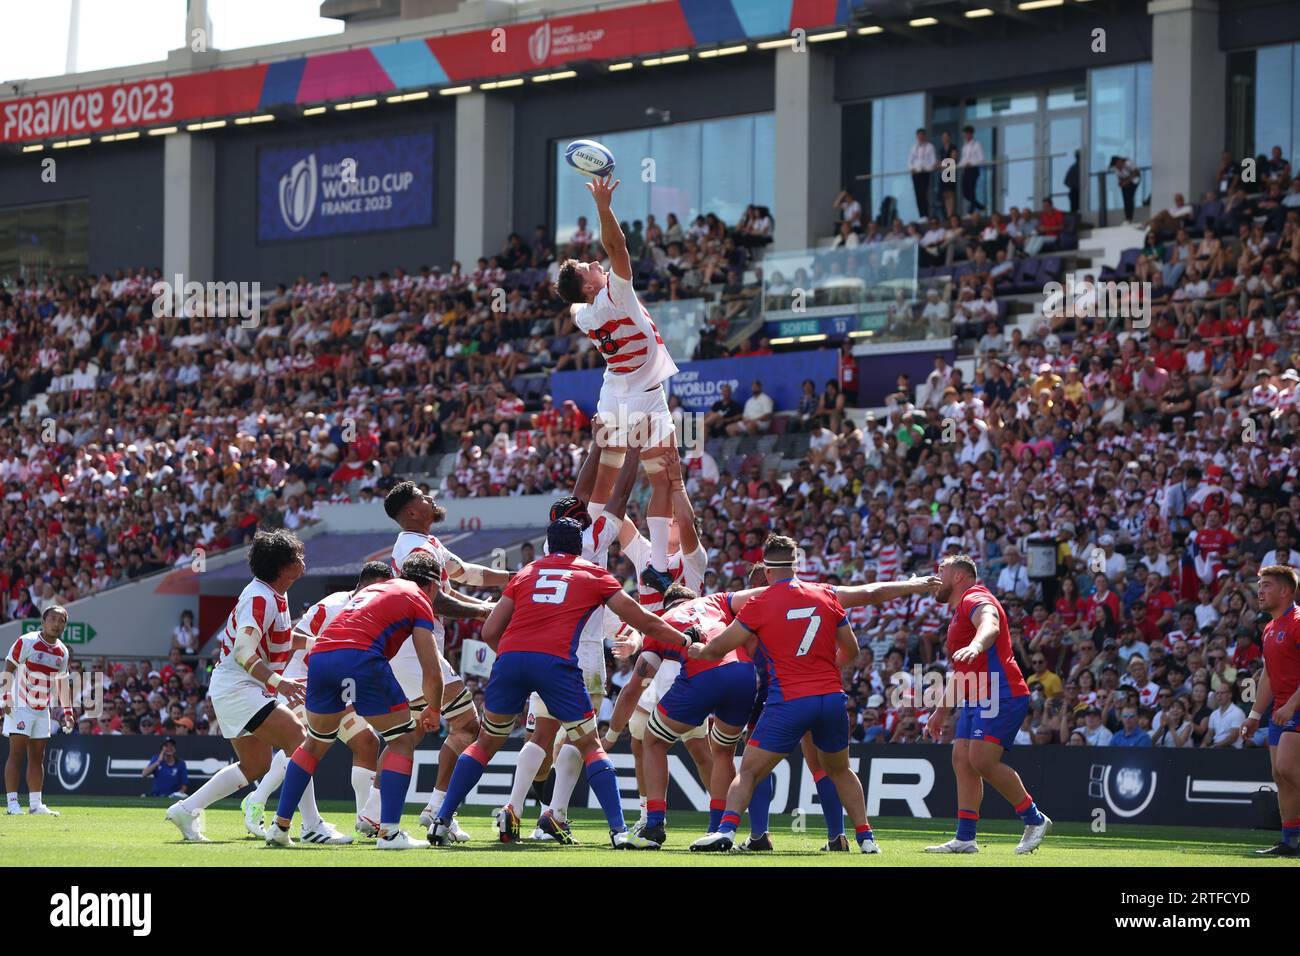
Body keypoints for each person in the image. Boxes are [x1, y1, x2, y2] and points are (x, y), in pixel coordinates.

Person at [427, 518, 688, 849]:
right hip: (557, 665)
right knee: (589, 745)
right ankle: (619, 831)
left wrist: (515, 658)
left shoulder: (525, 573)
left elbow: (491, 630)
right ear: (580, 546)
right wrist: (683, 640)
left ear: (547, 545)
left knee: (486, 742)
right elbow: (642, 620)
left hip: (510, 661)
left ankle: (441, 820)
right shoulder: (593, 574)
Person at [267, 552, 487, 850]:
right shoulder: (420, 599)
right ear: (433, 587)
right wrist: (434, 709)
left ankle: (280, 827)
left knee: (314, 744)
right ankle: (390, 834)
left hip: (320, 657)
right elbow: (431, 666)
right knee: (402, 740)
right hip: (361, 658)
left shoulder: (373, 589)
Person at [686, 535, 880, 855]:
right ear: (796, 563)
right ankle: (863, 838)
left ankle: (729, 830)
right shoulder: (825, 593)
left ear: (767, 569)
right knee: (835, 769)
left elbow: (725, 647)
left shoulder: (759, 603)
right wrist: (826, 669)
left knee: (751, 769)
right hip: (830, 696)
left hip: (784, 695)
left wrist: (698, 649)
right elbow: (854, 648)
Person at [497, 443, 642, 844]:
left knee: (540, 734)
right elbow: (621, 494)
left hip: (545, 647)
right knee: (584, 737)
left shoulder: (548, 549)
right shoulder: (594, 538)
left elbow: (578, 497)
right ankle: (555, 812)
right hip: (586, 649)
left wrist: (597, 445)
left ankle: (513, 806)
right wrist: (633, 453)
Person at [554, 175, 680, 592]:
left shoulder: (584, 313)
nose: (597, 263)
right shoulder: (615, 295)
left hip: (614, 395)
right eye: (590, 267)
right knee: (660, 479)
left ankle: (580, 552)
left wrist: (573, 286)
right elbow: (617, 247)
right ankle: (657, 565)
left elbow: (572, 300)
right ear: (592, 285)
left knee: (603, 481)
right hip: (644, 397)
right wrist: (604, 207)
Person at [166, 530, 331, 842]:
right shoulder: (260, 597)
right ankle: (311, 826)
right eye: (297, 556)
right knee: (299, 740)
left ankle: (186, 810)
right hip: (239, 688)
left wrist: (315, 644)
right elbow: (244, 651)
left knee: (257, 764)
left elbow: (281, 636)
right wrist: (279, 682)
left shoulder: (272, 593)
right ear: (282, 566)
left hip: (238, 688)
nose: (302, 560)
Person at [383, 480, 510, 840]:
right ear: (411, 511)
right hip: (413, 649)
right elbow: (432, 601)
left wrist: (516, 580)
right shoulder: (412, 550)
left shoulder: (429, 544)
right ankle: (438, 808)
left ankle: (373, 813)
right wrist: (484, 610)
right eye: (423, 497)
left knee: (405, 734)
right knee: (468, 726)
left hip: (413, 648)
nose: (431, 498)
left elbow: (469, 573)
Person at [240, 561, 394, 841]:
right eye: (383, 591)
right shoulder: (340, 608)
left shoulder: (365, 610)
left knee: (366, 741)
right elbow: (319, 655)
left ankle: (366, 820)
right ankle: (268, 804)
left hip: (326, 679)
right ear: (369, 586)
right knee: (305, 744)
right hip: (302, 679)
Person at [605, 582, 765, 846]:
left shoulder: (661, 622)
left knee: (653, 741)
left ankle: (654, 823)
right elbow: (760, 593)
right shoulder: (715, 600)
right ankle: (720, 829)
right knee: (722, 751)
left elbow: (634, 688)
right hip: (743, 674)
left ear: (666, 605)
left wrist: (610, 737)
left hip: (701, 677)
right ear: (693, 598)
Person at [924, 554, 1050, 855]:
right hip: (976, 695)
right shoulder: (957, 614)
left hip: (1001, 691)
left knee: (981, 760)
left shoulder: (975, 595)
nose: (935, 576)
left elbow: (990, 624)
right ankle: (965, 838)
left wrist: (978, 644)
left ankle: (1035, 818)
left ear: (958, 576)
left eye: (941, 570)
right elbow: (961, 672)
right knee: (962, 759)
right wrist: (941, 711)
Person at [1240, 565, 1300, 855]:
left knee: (1288, 767)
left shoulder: (1299, 622)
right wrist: (1254, 715)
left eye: (1266, 585)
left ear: (1285, 591)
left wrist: (1291, 704)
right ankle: (1291, 842)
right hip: (1280, 710)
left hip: (1295, 707)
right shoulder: (1269, 627)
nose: (1259, 591)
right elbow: (1269, 675)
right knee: (1280, 775)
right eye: (1259, 586)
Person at [3, 605, 72, 816]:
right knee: (16, 754)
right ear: (43, 621)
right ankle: (13, 804)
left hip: (42, 709)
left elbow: (62, 683)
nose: (57, 624)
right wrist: (5, 697)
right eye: (53, 619)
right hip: (20, 706)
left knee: (37, 757)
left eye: (62, 621)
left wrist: (68, 711)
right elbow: (9, 667)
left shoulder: (63, 651)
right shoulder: (27, 641)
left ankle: (35, 805)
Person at [908, 128, 936, 220]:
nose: (920, 137)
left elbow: (933, 162)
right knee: (917, 195)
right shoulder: (913, 148)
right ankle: (921, 215)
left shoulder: (929, 147)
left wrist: (926, 168)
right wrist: (912, 168)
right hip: (916, 173)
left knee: (923, 193)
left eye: (921, 135)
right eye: (918, 135)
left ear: (924, 136)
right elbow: (909, 161)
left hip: (925, 172)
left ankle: (926, 215)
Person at [959, 126, 985, 215]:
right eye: (964, 134)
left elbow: (981, 158)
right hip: (966, 170)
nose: (965, 135)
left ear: (970, 134)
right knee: (965, 192)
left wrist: (971, 162)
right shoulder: (965, 146)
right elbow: (963, 159)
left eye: (966, 133)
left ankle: (972, 210)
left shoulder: (977, 144)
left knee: (971, 190)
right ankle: (979, 206)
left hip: (973, 169)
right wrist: (959, 165)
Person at [1109, 155, 1141, 224]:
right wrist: (1121, 183)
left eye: (1116, 165)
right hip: (1125, 183)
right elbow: (1119, 179)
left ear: (1119, 161)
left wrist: (1126, 181)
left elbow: (1136, 173)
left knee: (1129, 198)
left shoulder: (1128, 163)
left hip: (1134, 181)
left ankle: (1129, 218)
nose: (1116, 167)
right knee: (1125, 199)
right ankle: (1127, 218)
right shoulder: (1116, 169)